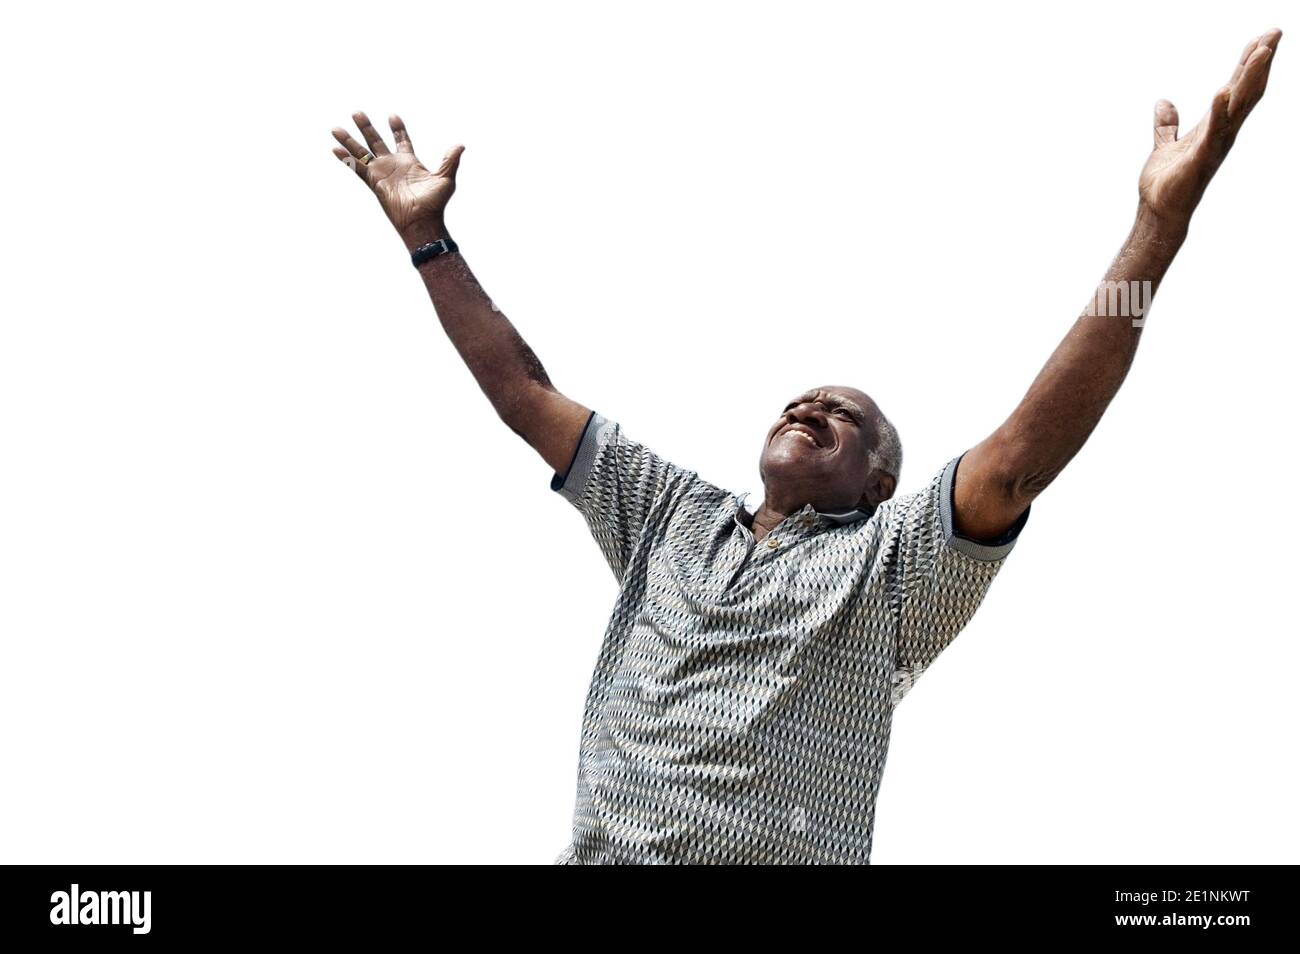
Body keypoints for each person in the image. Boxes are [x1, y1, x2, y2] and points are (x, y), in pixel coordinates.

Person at [329, 28, 1281, 864]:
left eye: (844, 415)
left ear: (882, 481)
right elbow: (521, 389)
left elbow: (1030, 445)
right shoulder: (668, 518)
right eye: (801, 398)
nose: (810, 408)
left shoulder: (892, 566)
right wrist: (427, 237)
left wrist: (1159, 227)